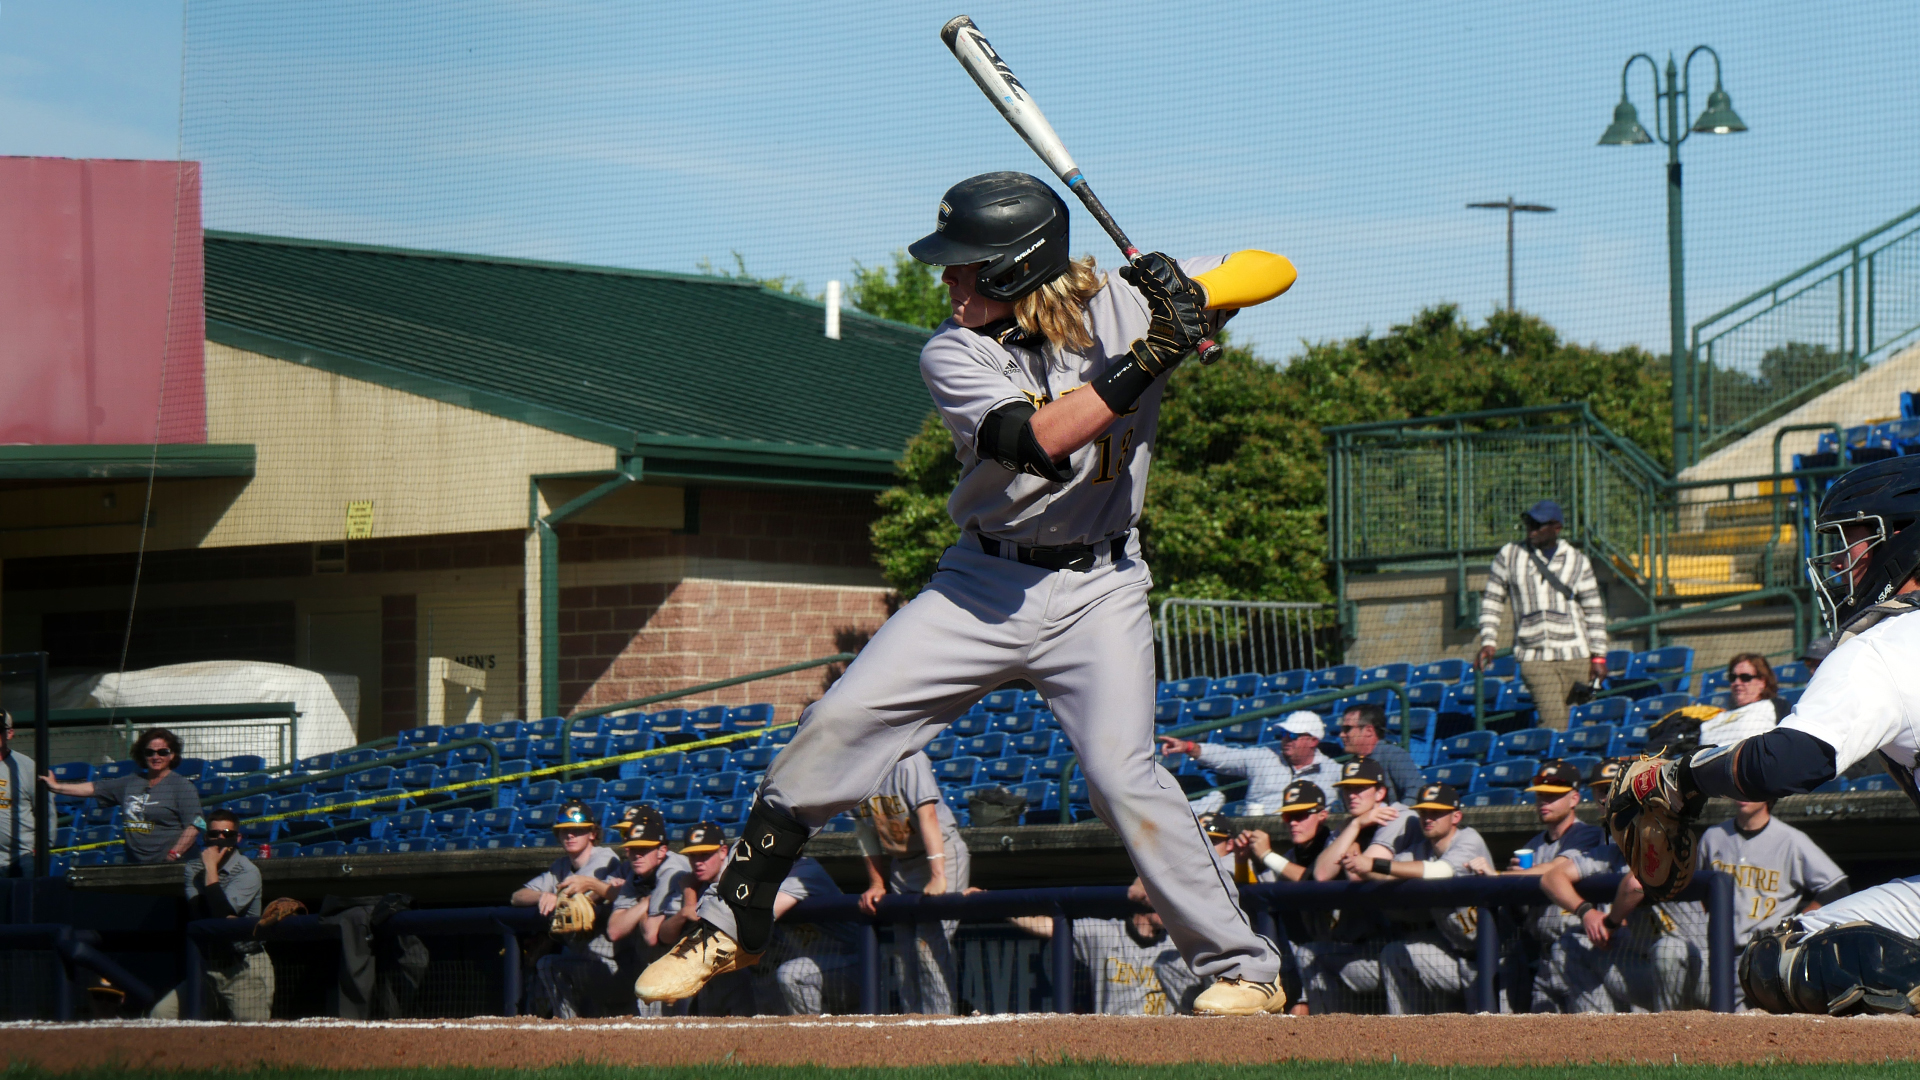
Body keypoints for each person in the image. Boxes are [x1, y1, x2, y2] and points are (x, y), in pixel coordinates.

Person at [638, 170, 1299, 1016]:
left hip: (1102, 585)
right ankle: (734, 918)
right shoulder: (955, 351)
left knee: (1123, 776)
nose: (947, 284)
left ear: (1015, 271)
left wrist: (1188, 289)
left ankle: (1244, 967)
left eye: (963, 267)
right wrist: (1146, 361)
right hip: (985, 581)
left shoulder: (1129, 308)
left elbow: (1272, 266)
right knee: (842, 718)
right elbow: (1036, 441)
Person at [1608, 455, 1920, 1015]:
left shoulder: (1885, 645)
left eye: (1855, 536)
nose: (1844, 558)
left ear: (1903, 537)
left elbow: (1793, 759)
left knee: (1783, 959)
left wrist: (1683, 776)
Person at [1467, 759, 1605, 1012]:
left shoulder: (1587, 834)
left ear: (1574, 799)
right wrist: (1515, 879)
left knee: (1588, 1030)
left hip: (1579, 948)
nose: (1544, 801)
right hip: (1541, 954)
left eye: (1552, 796)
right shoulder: (1532, 845)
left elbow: (1555, 869)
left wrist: (1500, 875)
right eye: (1541, 795)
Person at [851, 751, 971, 1015]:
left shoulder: (907, 758)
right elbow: (864, 831)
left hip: (942, 854)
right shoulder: (849, 769)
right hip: (901, 863)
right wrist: (876, 883)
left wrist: (938, 874)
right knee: (904, 953)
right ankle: (913, 1028)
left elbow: (928, 815)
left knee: (928, 943)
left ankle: (942, 1023)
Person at [1360, 784, 1497, 1015]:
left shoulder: (1468, 839)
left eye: (1436, 812)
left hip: (1496, 959)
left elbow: (1439, 871)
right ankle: (1405, 1038)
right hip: (1455, 956)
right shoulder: (1421, 850)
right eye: (1423, 812)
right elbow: (1383, 872)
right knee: (1394, 954)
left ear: (1456, 816)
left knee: (1502, 1033)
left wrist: (1375, 864)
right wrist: (1363, 865)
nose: (1428, 818)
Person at [1475, 499, 1609, 730]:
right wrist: (1488, 640)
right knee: (1553, 722)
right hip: (1533, 656)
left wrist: (1598, 656)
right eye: (1529, 524)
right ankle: (1552, 765)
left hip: (1576, 655)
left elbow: (1594, 610)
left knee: (1578, 725)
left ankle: (1569, 766)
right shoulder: (1509, 555)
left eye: (1538, 525)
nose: (1532, 530)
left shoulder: (1577, 560)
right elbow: (1492, 600)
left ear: (1556, 527)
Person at [1300, 758, 1414, 1012]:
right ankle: (1327, 1041)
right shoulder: (1349, 824)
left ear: (1380, 792)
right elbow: (1321, 873)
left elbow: (1360, 872)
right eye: (1348, 789)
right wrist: (1355, 825)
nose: (1352, 795)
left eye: (1360, 788)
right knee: (1310, 954)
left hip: (1413, 941)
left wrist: (1351, 838)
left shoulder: (1399, 815)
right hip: (1373, 945)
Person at [150, 808, 273, 1021]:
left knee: (250, 1036)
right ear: (206, 837)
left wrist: (211, 868)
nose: (221, 839)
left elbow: (219, 921)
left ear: (238, 838)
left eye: (228, 834)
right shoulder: (193, 868)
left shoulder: (248, 872)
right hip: (208, 967)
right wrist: (208, 868)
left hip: (243, 967)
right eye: (215, 834)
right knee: (161, 1015)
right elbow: (200, 915)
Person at [510, 799, 627, 1018]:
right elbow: (517, 897)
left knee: (548, 965)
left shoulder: (605, 859)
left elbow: (586, 896)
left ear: (592, 833)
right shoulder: (560, 867)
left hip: (611, 962)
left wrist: (559, 897)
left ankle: (568, 1029)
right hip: (583, 961)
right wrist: (544, 895)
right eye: (564, 831)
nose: (570, 835)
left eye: (577, 830)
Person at [1696, 798, 1849, 953]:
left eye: (1751, 790)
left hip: (1765, 951)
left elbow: (1836, 887)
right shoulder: (1713, 836)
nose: (1743, 795)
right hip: (1715, 951)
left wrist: (1796, 925)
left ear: (1768, 796)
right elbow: (1695, 893)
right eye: (1738, 789)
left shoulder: (1791, 839)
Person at [41, 727, 199, 864]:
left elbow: (195, 825)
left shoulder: (182, 787)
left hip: (172, 864)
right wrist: (57, 787)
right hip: (136, 864)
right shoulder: (130, 782)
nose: (156, 757)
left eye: (163, 752)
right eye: (150, 752)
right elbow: (93, 788)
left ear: (172, 755)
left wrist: (174, 854)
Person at [1157, 711, 1340, 814]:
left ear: (1313, 741)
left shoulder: (1333, 772)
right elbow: (1226, 757)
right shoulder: (1265, 757)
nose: (1286, 739)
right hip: (1254, 831)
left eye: (1293, 735)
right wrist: (1189, 747)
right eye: (1283, 734)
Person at [606, 805, 678, 1017]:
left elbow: (651, 934)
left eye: (644, 849)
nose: (636, 855)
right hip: (661, 959)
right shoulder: (636, 874)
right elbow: (614, 930)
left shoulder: (672, 869)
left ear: (661, 850)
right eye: (632, 847)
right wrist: (646, 902)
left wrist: (639, 906)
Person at [1332, 704, 1422, 805]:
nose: (1342, 735)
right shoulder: (1351, 764)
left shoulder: (1393, 755)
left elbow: (1416, 792)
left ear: (1369, 731)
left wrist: (1395, 817)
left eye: (1347, 729)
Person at [1698, 653, 1788, 748]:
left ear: (1762, 681)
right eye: (1733, 678)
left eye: (1745, 677)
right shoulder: (1721, 715)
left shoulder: (1775, 706)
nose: (1737, 682)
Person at [1, 711, 35, 875]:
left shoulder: (26, 766)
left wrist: (44, 845)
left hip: (22, 858)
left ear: (10, 733)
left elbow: (45, 810)